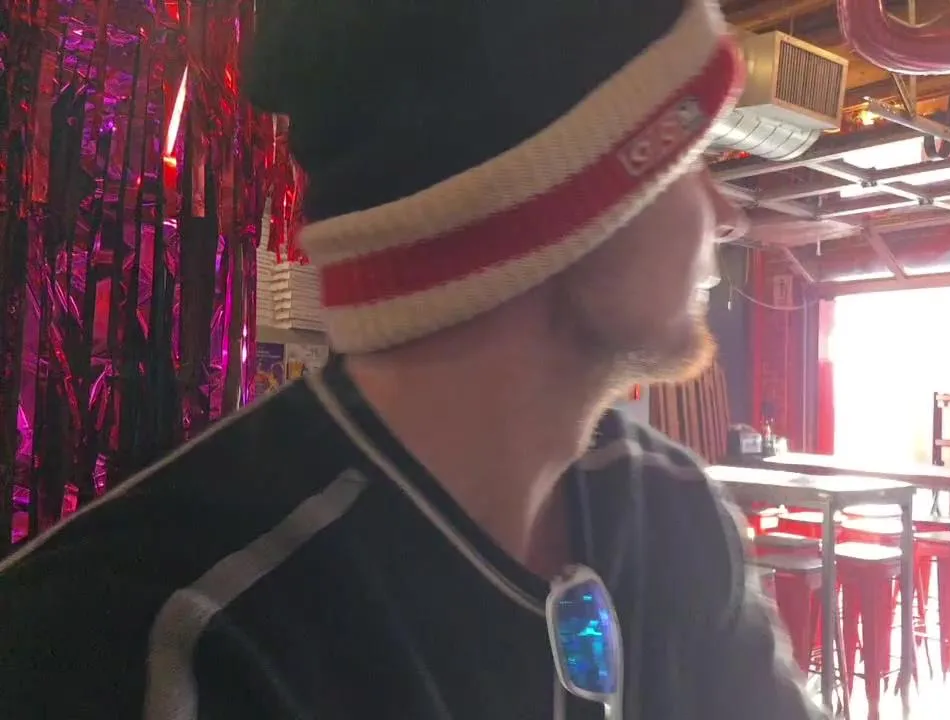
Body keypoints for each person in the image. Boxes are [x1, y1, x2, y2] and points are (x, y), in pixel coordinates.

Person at [0, 2, 826, 718]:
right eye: (692, 156)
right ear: (571, 204)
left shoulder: (675, 515)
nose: (728, 216)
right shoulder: (161, 642)